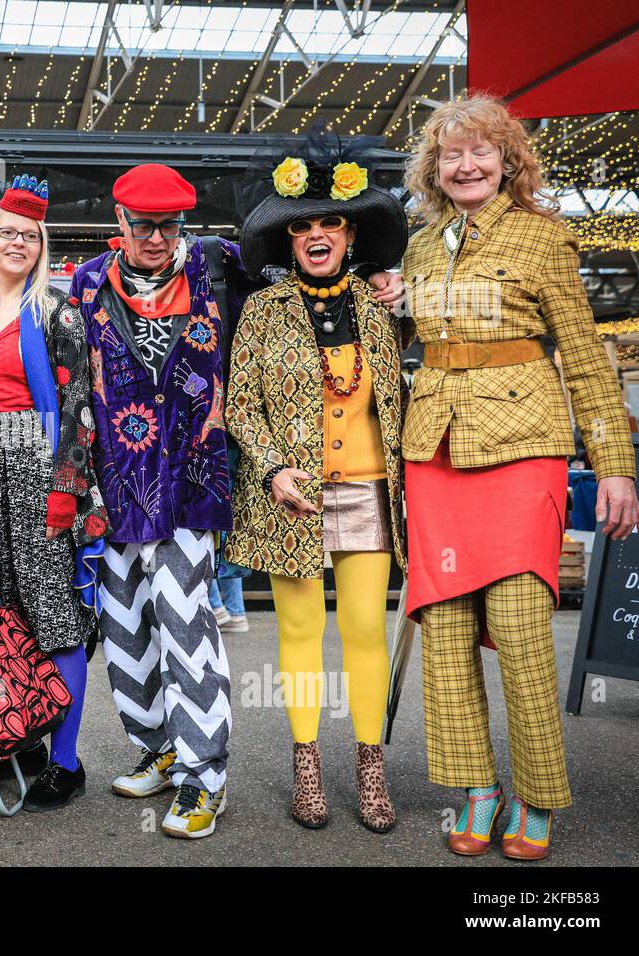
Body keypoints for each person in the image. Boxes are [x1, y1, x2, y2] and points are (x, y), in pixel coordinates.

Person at [401, 93, 639, 860]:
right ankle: (476, 789)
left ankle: (537, 795)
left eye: (481, 152)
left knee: (519, 626)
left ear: (508, 160)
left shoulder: (545, 238)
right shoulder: (419, 245)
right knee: (445, 631)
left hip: (522, 447)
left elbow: (588, 364)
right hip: (433, 450)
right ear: (434, 168)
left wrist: (614, 469)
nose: (466, 166)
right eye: (451, 155)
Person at [227, 143, 409, 832]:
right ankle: (307, 763)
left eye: (329, 223)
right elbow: (240, 404)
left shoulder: (381, 303)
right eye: (301, 228)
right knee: (300, 634)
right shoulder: (263, 310)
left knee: (364, 629)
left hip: (367, 489)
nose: (316, 236)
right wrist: (273, 468)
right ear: (287, 240)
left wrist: (410, 292)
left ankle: (370, 766)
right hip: (289, 496)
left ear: (351, 233)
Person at [69, 163, 239, 839]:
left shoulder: (215, 269)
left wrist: (380, 276)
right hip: (114, 487)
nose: (158, 238)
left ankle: (204, 778)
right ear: (120, 223)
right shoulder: (87, 284)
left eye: (170, 226)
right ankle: (160, 748)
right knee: (126, 632)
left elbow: (299, 272)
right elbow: (72, 377)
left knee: (187, 631)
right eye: (144, 225)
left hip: (188, 483)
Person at [0, 174, 110, 811]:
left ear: (41, 246)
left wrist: (67, 488)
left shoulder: (58, 311)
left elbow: (77, 407)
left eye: (29, 236)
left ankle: (66, 760)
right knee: (3, 612)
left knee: (56, 619)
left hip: (39, 472)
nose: (17, 243)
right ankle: (28, 737)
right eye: (6, 233)